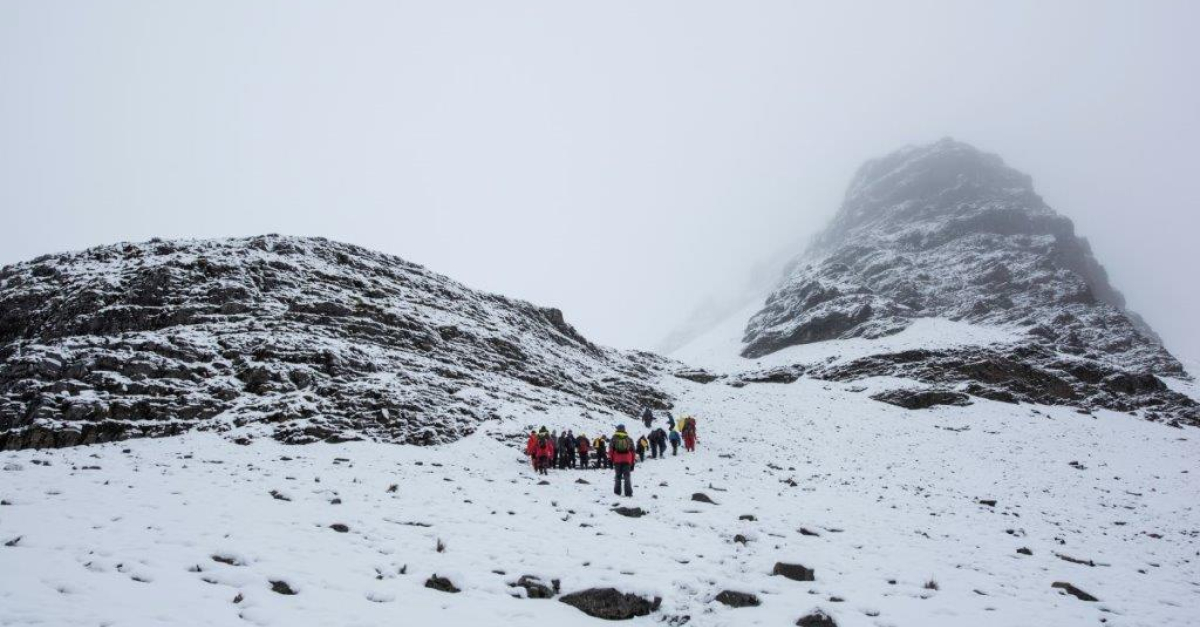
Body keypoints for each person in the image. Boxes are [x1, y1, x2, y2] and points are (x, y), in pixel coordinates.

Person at [609, 424, 636, 497]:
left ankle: (617, 492)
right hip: (627, 460)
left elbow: (611, 451)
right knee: (627, 476)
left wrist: (610, 460)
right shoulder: (629, 439)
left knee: (618, 476)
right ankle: (628, 493)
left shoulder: (614, 438)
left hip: (617, 460)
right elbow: (633, 452)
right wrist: (633, 462)